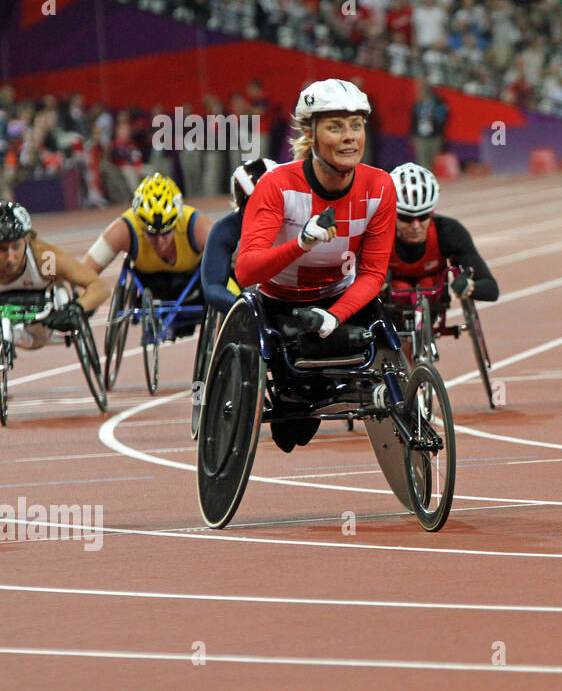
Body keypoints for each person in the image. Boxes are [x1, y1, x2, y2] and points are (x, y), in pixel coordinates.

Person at [234, 78, 397, 453]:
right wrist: (301, 243)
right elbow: (245, 271)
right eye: (335, 126)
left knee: (385, 331)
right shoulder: (277, 186)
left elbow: (373, 274)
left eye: (356, 126)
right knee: (293, 433)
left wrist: (334, 315)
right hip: (279, 306)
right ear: (311, 133)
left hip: (341, 299)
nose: (349, 137)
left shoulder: (381, 187)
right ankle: (294, 399)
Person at [82, 173, 212, 333]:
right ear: (140, 224)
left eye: (166, 232)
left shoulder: (198, 226)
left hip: (193, 287)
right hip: (150, 287)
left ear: (177, 220)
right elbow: (84, 271)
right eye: (151, 234)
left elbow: (231, 263)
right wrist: (84, 301)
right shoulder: (123, 230)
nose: (160, 241)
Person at [0, 200, 109, 349]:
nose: (11, 258)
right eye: (2, 249)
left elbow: (99, 286)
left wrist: (76, 309)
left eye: (16, 246)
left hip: (41, 305)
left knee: (37, 336)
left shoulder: (44, 258)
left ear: (27, 239)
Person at [388, 162, 499, 307]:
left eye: (422, 217)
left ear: (431, 213)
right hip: (389, 301)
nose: (415, 226)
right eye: (406, 219)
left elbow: (491, 289)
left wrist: (469, 286)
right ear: (393, 215)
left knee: (427, 283)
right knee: (397, 286)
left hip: (433, 298)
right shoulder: (376, 232)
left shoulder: (448, 231)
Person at [200, 158, 279, 315]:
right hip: (246, 297)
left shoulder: (296, 217)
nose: (266, 208)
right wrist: (242, 307)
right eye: (258, 202)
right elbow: (212, 287)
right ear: (242, 204)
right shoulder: (225, 229)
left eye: (273, 199)